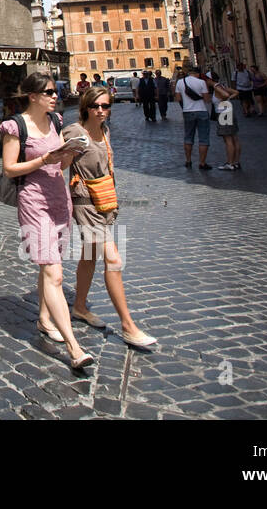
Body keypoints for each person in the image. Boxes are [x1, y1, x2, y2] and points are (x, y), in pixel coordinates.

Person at [0, 72, 93, 372]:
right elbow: (10, 168)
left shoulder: (56, 122)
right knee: (55, 273)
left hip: (58, 198)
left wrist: (70, 152)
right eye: (50, 92)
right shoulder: (16, 127)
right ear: (33, 96)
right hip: (33, 201)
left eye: (56, 91)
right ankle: (74, 348)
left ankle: (43, 318)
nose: (56, 96)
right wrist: (43, 159)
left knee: (48, 264)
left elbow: (62, 163)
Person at [63, 86, 157, 349]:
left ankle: (80, 306)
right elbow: (59, 165)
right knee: (113, 258)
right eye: (96, 107)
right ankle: (128, 326)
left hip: (104, 200)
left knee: (90, 254)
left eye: (106, 106)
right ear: (86, 107)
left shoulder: (104, 131)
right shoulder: (75, 132)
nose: (102, 111)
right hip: (85, 202)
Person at [175, 67, 213, 169]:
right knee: (203, 138)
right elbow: (207, 99)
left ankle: (188, 161)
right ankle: (202, 163)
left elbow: (178, 98)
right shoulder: (201, 82)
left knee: (188, 137)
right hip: (201, 111)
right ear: (197, 74)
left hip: (188, 111)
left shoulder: (180, 82)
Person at [206, 72, 242, 170]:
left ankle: (230, 163)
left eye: (206, 79)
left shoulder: (216, 87)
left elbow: (225, 94)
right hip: (229, 111)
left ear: (210, 79)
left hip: (223, 113)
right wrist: (228, 99)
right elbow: (236, 92)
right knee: (234, 138)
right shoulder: (221, 85)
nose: (206, 81)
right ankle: (236, 162)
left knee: (228, 139)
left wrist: (224, 100)